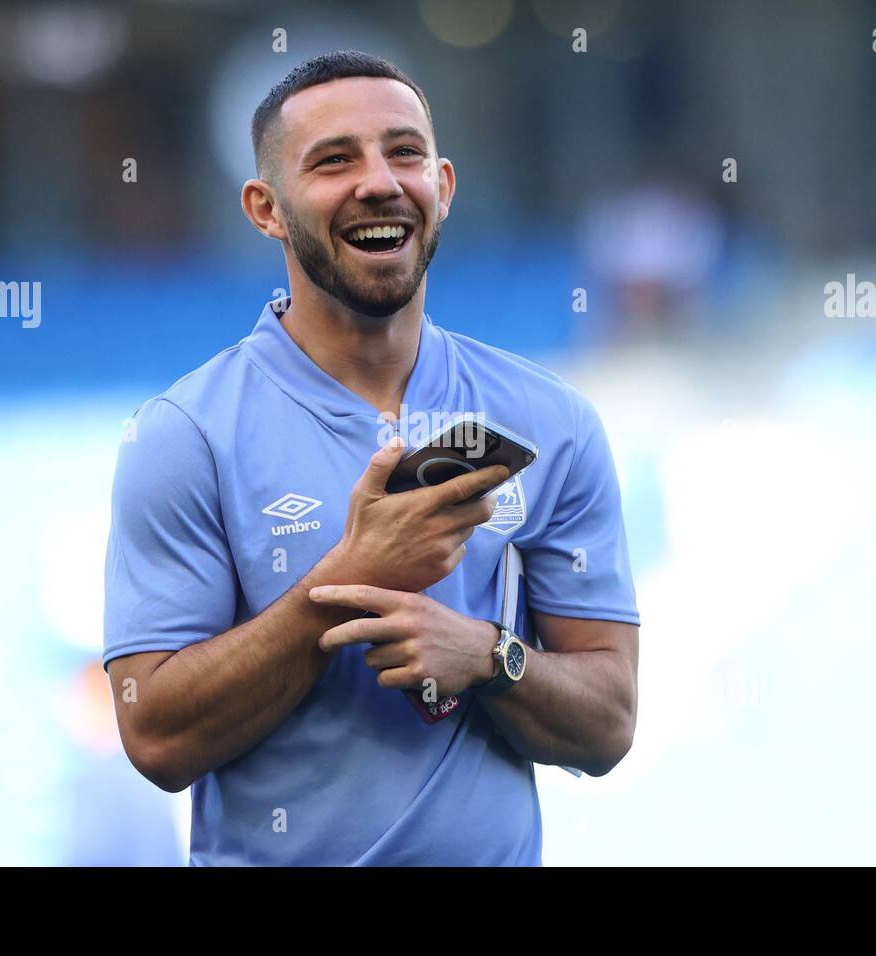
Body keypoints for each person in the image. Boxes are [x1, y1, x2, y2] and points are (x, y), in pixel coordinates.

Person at [103, 51, 640, 866]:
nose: (380, 182)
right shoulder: (185, 435)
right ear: (266, 209)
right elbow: (155, 737)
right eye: (334, 160)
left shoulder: (550, 422)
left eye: (405, 153)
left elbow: (608, 724)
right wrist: (347, 582)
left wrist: (488, 658)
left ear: (444, 187)